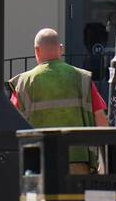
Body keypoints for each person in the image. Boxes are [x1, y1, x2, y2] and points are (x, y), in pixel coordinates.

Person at [9, 28, 108, 173]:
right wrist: (104, 160)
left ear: (37, 50)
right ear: (61, 49)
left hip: (39, 161)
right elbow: (101, 119)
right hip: (78, 159)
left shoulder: (23, 83)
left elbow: (12, 123)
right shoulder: (81, 78)